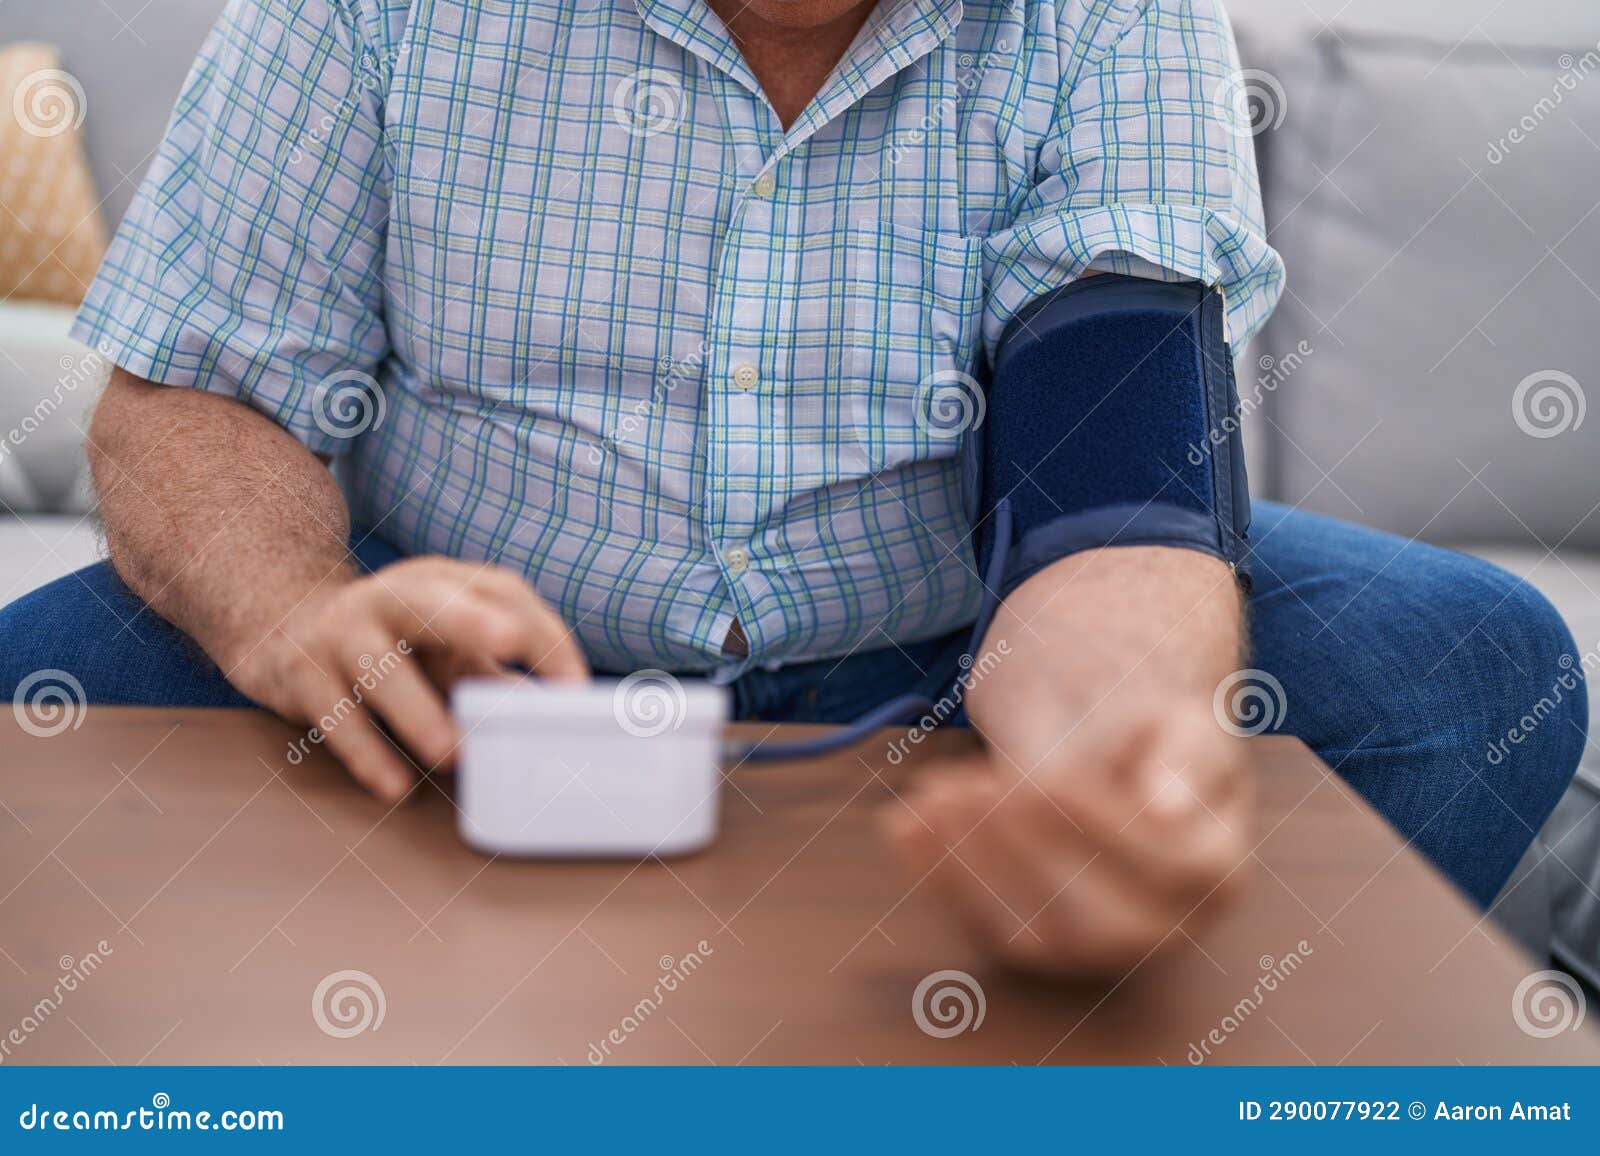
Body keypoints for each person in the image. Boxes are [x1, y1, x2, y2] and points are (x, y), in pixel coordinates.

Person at [0, 0, 1583, 977]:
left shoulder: (1107, 17)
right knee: (36, 699)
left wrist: (1105, 770)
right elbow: (192, 391)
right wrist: (303, 615)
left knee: (1464, 664)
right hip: (444, 649)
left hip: (942, 657)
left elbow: (1107, 493)